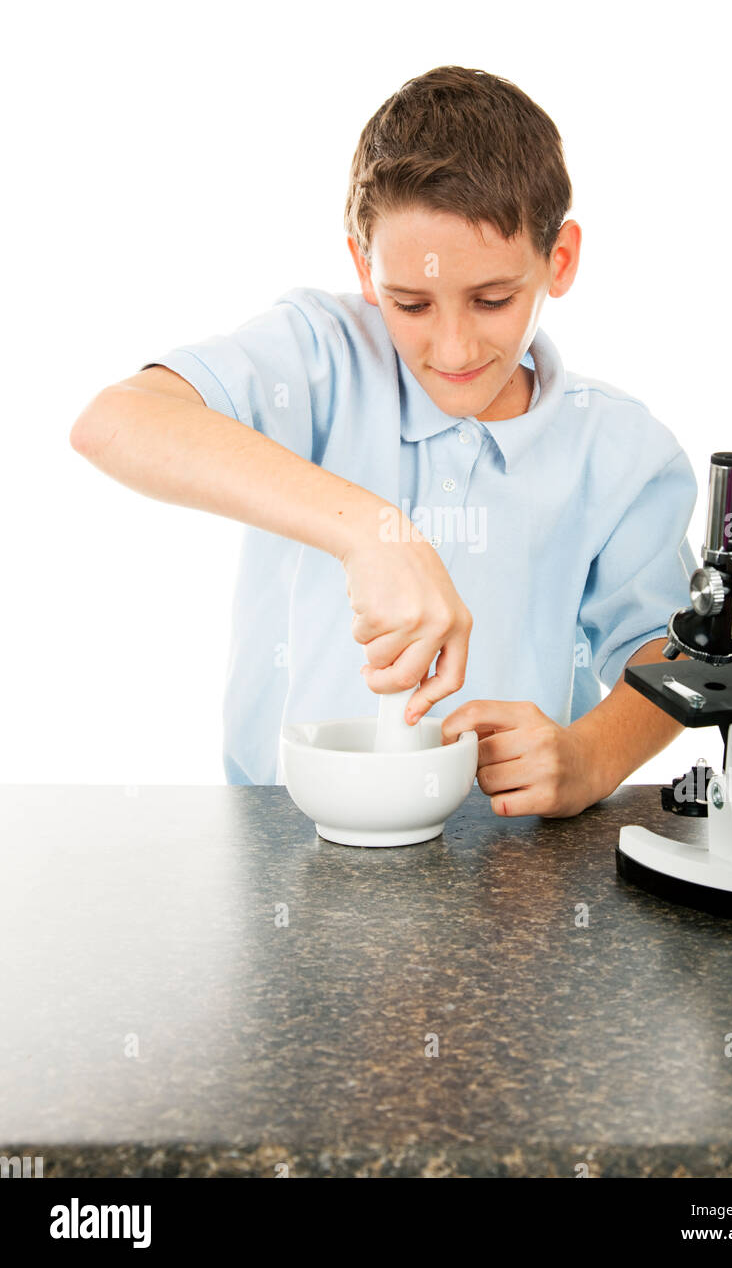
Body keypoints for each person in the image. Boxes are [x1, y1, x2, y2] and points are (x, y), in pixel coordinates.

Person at [69, 65, 698, 817]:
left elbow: (670, 648)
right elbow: (114, 423)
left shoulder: (619, 450)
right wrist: (372, 534)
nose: (453, 345)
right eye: (411, 301)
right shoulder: (318, 358)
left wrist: (590, 757)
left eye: (492, 299)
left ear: (558, 261)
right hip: (285, 846)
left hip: (506, 862)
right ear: (364, 267)